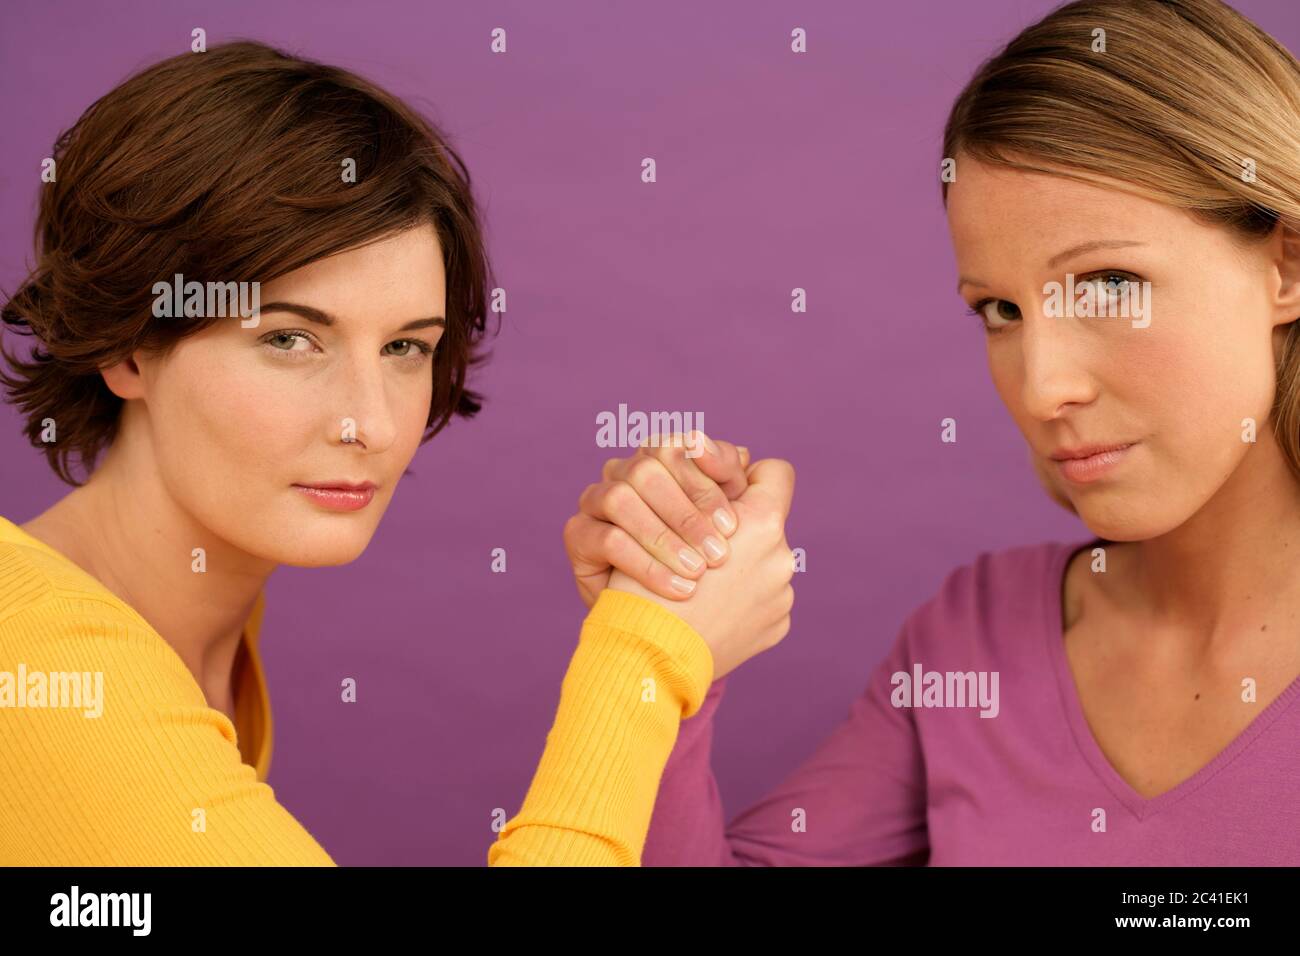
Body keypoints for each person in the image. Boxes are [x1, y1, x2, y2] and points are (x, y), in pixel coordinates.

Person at [0, 40, 796, 865]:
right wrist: (645, 653)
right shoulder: (42, 662)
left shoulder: (192, 636)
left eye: (406, 349)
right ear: (129, 348)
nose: (370, 424)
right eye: (289, 338)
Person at [555, 0, 1300, 865]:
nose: (1042, 386)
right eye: (999, 310)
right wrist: (663, 644)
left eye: (1106, 285)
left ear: (1285, 264)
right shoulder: (975, 640)